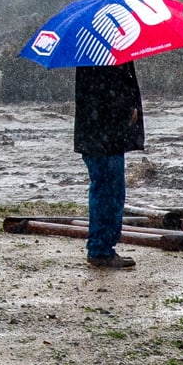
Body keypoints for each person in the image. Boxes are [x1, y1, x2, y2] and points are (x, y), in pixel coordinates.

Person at [74, 59, 145, 268]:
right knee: (107, 190)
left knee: (110, 190)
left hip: (105, 137)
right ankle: (100, 250)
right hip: (102, 138)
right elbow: (103, 96)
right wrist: (126, 110)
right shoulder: (99, 62)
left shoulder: (102, 59)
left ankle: (103, 247)